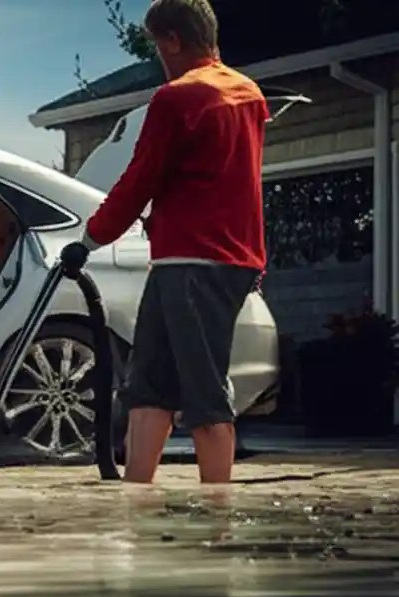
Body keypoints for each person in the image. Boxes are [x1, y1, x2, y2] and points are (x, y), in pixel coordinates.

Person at [59, 0, 268, 484]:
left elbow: (140, 179)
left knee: (204, 389)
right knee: (148, 382)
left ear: (172, 39)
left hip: (197, 260)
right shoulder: (247, 93)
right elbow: (231, 181)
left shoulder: (178, 98)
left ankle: (218, 511)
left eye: (158, 46)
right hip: (200, 260)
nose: (159, 57)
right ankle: (137, 496)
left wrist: (90, 238)